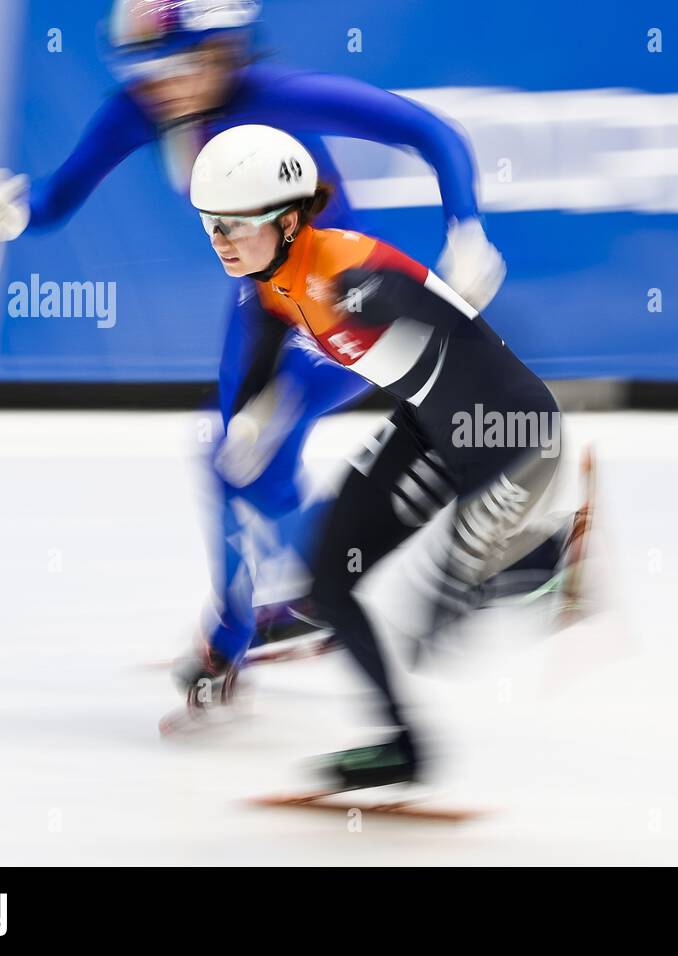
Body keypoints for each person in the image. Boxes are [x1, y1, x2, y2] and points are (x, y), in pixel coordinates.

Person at [0, 0, 508, 669]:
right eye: (143, 72)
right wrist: (14, 211)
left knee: (252, 443)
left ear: (224, 51)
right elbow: (58, 197)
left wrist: (467, 231)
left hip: (339, 301)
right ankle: (273, 610)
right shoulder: (138, 110)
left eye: (175, 66)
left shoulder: (279, 96)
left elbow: (432, 133)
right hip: (262, 304)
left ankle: (319, 595)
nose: (159, 89)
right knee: (232, 458)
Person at [189, 124, 570, 790]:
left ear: (285, 221)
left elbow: (429, 315)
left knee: (442, 621)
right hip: (431, 426)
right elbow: (259, 360)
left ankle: (550, 558)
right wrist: (252, 418)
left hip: (501, 430)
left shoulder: (343, 274)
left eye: (233, 225)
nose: (220, 241)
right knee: (329, 581)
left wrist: (455, 277)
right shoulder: (268, 283)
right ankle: (403, 746)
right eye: (210, 225)